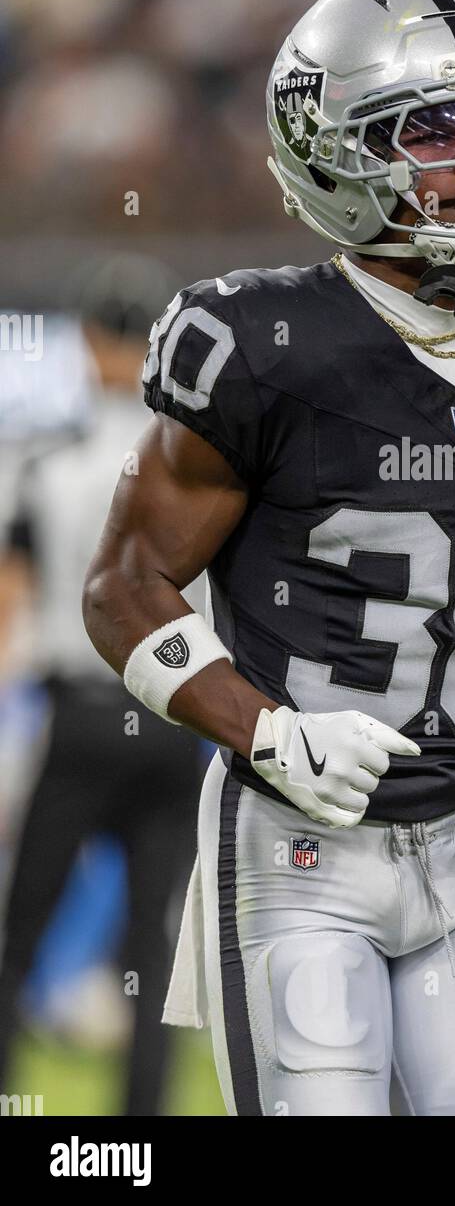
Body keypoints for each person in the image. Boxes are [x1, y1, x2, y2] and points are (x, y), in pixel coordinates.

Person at [82, 0, 455, 1117]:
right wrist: (268, 731)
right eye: (431, 134)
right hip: (299, 849)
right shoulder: (256, 344)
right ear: (329, 154)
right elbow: (124, 588)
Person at [0, 272, 202, 1115]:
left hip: (79, 716)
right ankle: (140, 1127)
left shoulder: (50, 460)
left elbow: (14, 592)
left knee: (23, 930)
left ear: (88, 343)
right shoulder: (193, 468)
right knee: (152, 946)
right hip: (171, 718)